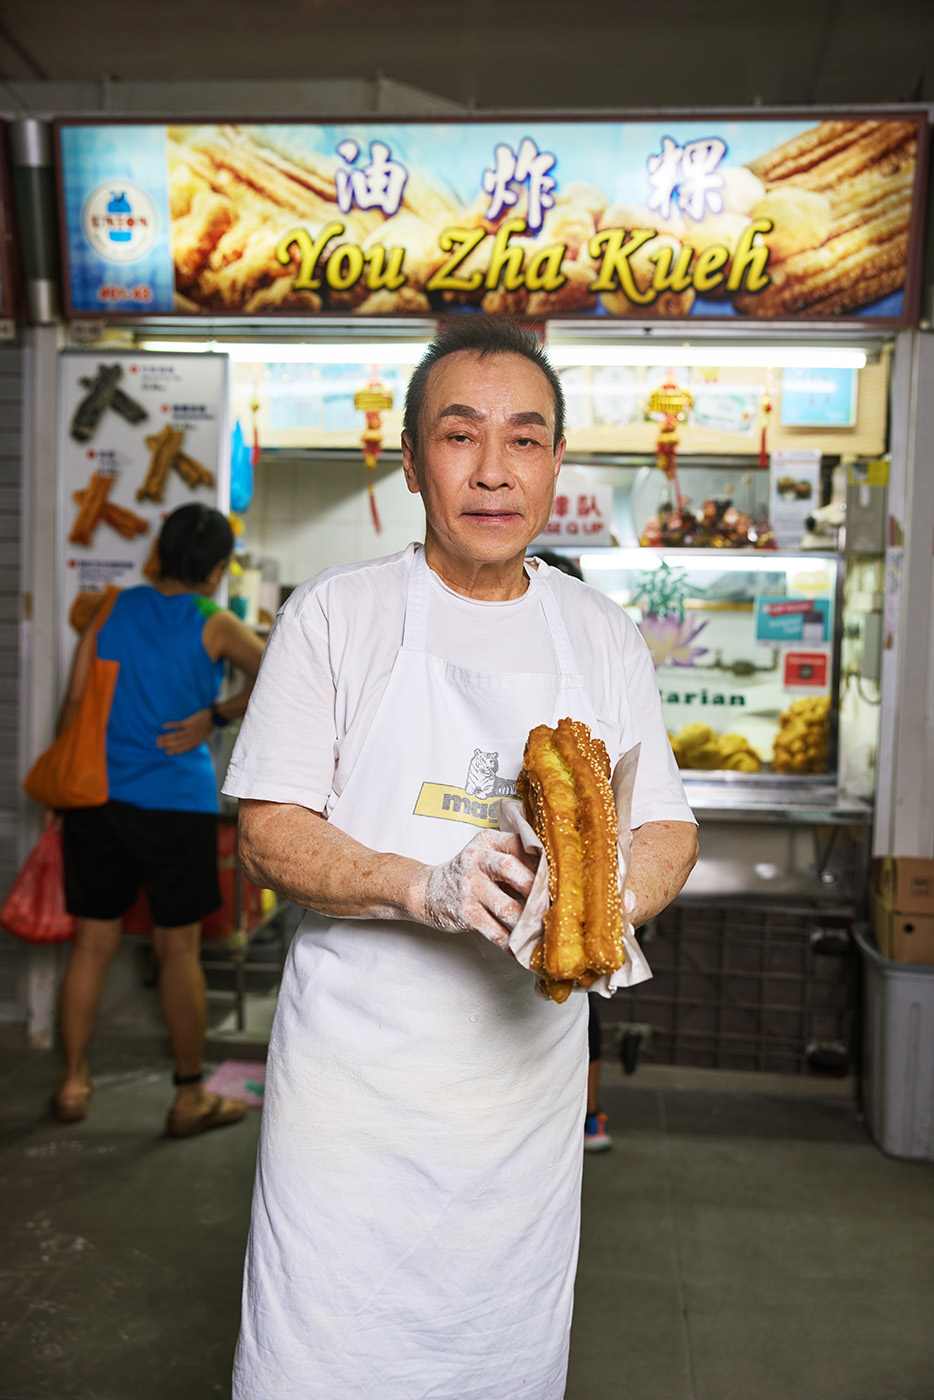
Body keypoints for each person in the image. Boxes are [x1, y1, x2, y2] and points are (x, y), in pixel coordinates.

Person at [224, 317, 698, 1399]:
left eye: (524, 439)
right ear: (410, 463)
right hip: (353, 1095)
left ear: (555, 465)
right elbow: (266, 827)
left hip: (520, 1106)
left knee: (499, 1360)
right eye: (460, 435)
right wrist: (419, 885)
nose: (493, 471)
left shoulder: (600, 633)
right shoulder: (338, 614)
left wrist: (602, 900)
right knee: (322, 1355)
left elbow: (666, 824)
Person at [52, 503, 266, 1137]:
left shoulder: (111, 608)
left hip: (97, 801)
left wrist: (64, 797)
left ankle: (71, 1081)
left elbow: (74, 702)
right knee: (179, 950)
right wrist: (217, 715)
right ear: (217, 568)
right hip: (177, 807)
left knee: (91, 944)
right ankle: (188, 1095)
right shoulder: (217, 623)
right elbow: (282, 676)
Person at [535, 549, 614, 1153]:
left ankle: (587, 1115)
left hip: (591, 894)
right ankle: (591, 1116)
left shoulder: (607, 653)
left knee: (587, 998)